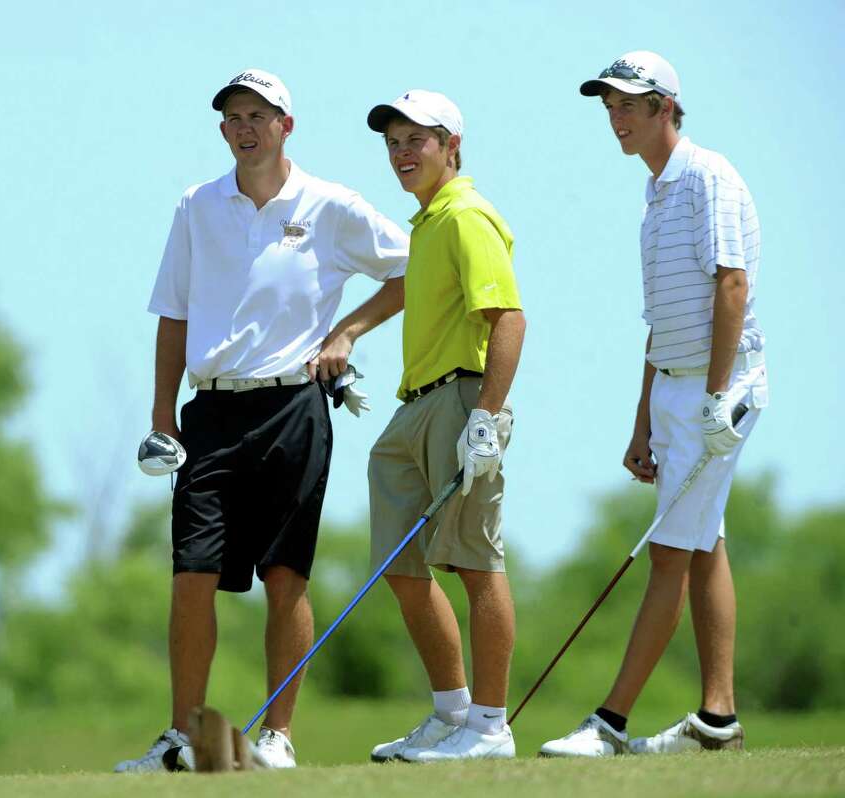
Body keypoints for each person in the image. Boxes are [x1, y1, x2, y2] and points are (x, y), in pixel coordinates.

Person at [114, 68, 409, 772]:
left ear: (286, 126)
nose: (245, 127)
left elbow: (413, 267)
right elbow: (174, 314)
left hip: (293, 407)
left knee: (286, 576)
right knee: (192, 574)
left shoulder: (331, 205)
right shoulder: (197, 204)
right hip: (210, 411)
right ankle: (182, 736)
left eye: (259, 115)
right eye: (234, 117)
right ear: (223, 130)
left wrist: (347, 334)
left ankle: (276, 736)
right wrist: (163, 415)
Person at [540, 51, 767, 757]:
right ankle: (717, 719)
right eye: (609, 107)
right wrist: (641, 422)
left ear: (667, 105)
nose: (617, 119)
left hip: (715, 388)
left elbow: (732, 286)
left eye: (628, 105)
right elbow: (662, 320)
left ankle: (608, 723)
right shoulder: (655, 194)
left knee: (668, 555)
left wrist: (713, 397)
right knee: (703, 550)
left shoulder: (708, 176)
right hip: (676, 386)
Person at [363, 90, 526, 762]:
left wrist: (486, 417)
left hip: (463, 400)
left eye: (417, 139)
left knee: (473, 562)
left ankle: (490, 727)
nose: (402, 152)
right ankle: (451, 713)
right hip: (414, 408)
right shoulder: (426, 223)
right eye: (393, 141)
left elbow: (509, 318)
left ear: (451, 146)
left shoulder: (465, 216)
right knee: (400, 566)